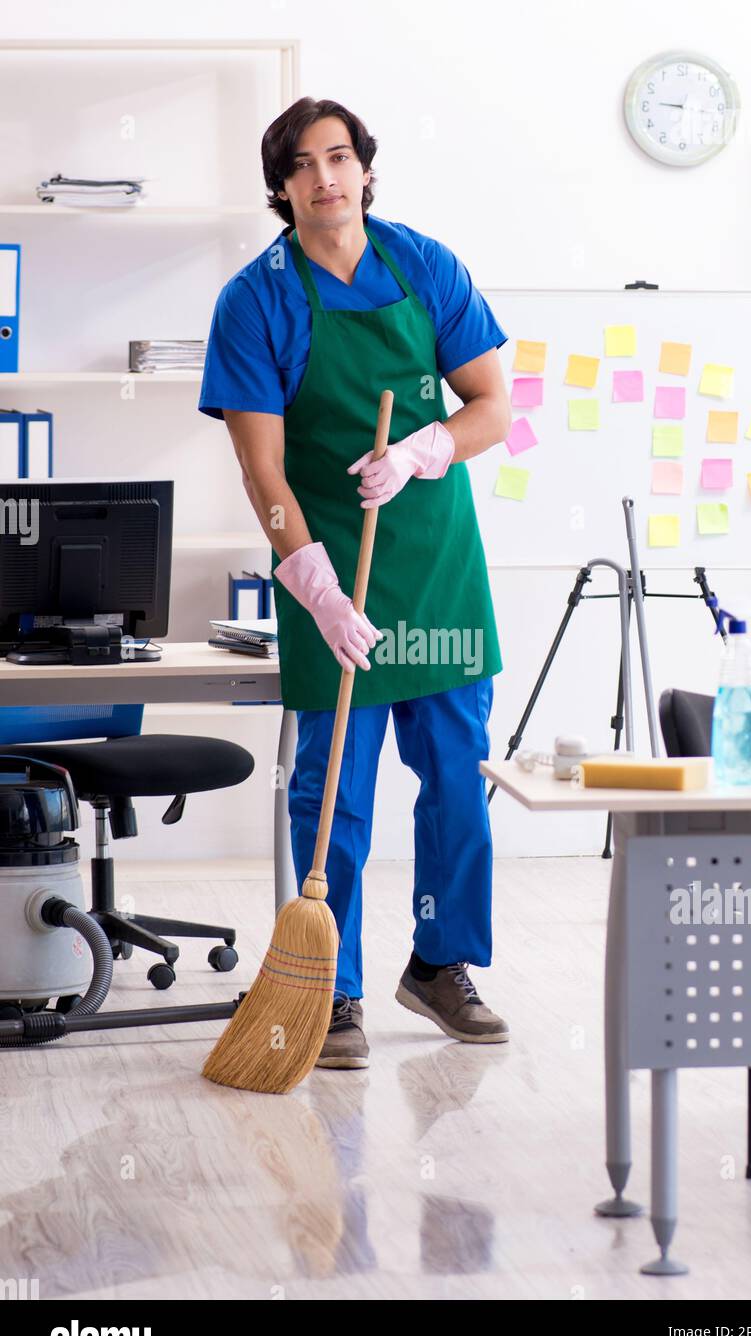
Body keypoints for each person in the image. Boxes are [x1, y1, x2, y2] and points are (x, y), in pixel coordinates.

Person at [199, 96, 511, 1068]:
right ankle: (330, 990)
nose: (324, 177)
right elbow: (262, 470)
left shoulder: (424, 265)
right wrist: (316, 587)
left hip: (436, 568)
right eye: (302, 163)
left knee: (458, 779)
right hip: (330, 566)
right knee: (333, 798)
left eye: (339, 157)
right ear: (280, 185)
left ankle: (442, 961)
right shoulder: (256, 299)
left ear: (364, 170)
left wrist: (427, 446)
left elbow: (491, 405)